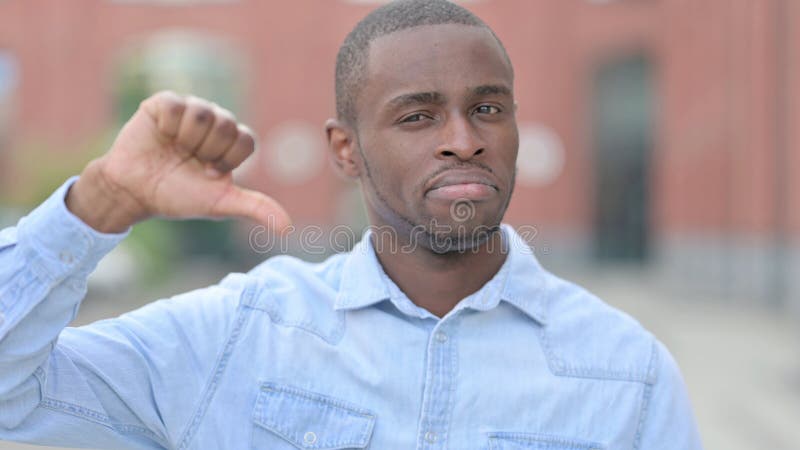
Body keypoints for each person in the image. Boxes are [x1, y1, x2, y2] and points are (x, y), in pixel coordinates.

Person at [0, 0, 703, 448]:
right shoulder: (241, 335)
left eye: (488, 109)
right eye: (418, 115)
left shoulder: (625, 373)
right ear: (346, 150)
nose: (463, 138)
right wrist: (102, 205)